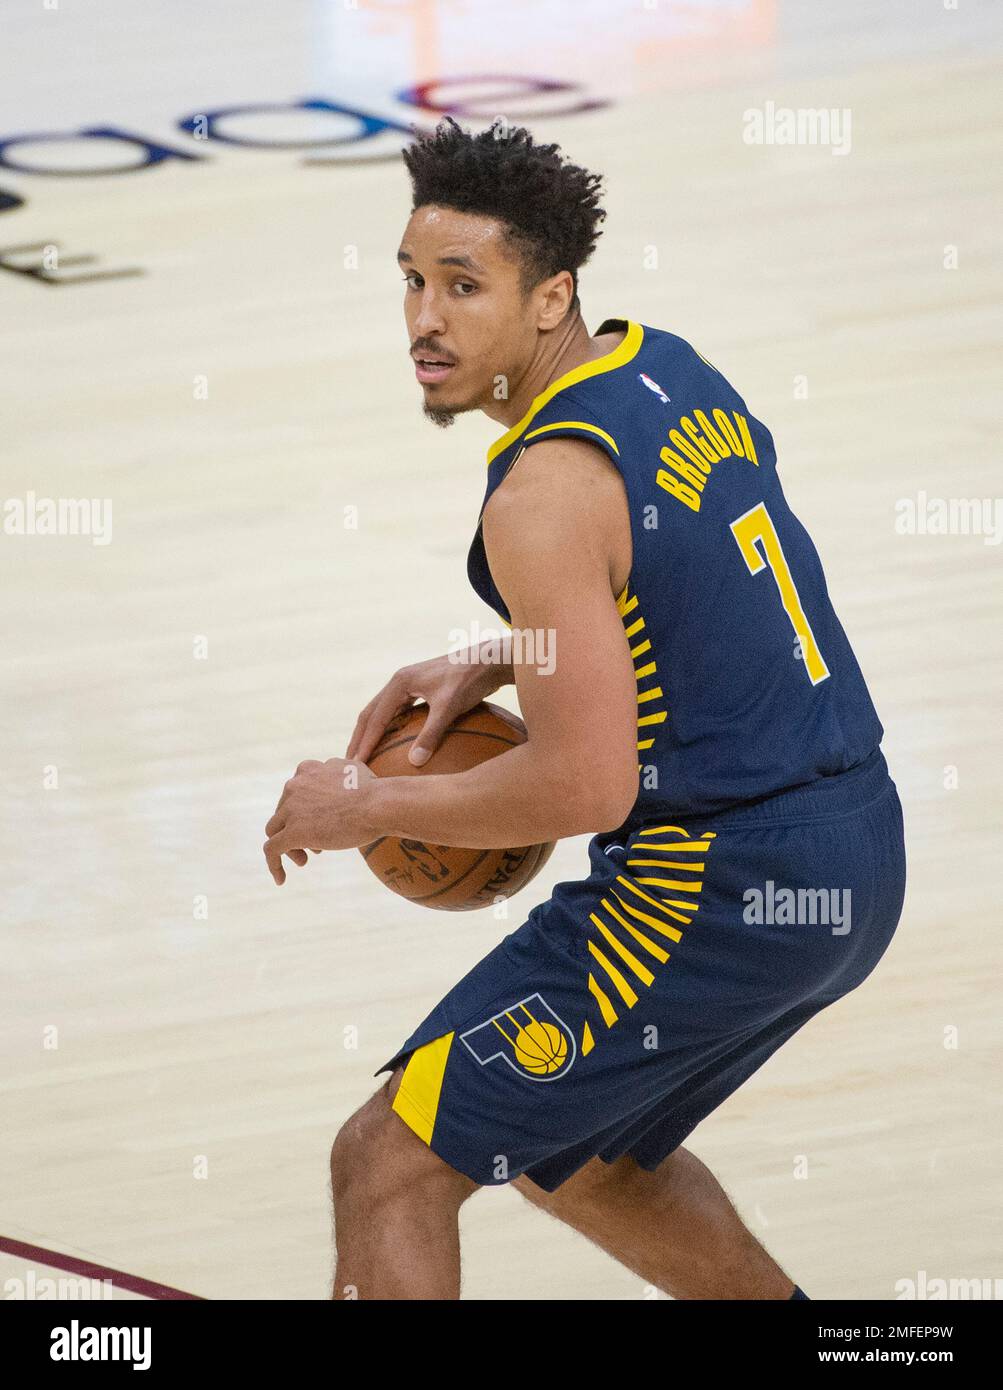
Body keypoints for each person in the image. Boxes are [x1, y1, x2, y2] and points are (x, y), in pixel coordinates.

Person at [263, 117, 906, 1301]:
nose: (424, 319)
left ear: (551, 294)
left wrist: (369, 802)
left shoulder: (543, 493)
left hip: (720, 884)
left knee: (389, 1161)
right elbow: (705, 578)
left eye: (466, 286)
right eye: (412, 281)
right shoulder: (664, 365)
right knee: (582, 1156)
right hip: (855, 846)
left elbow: (584, 787)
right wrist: (514, 653)